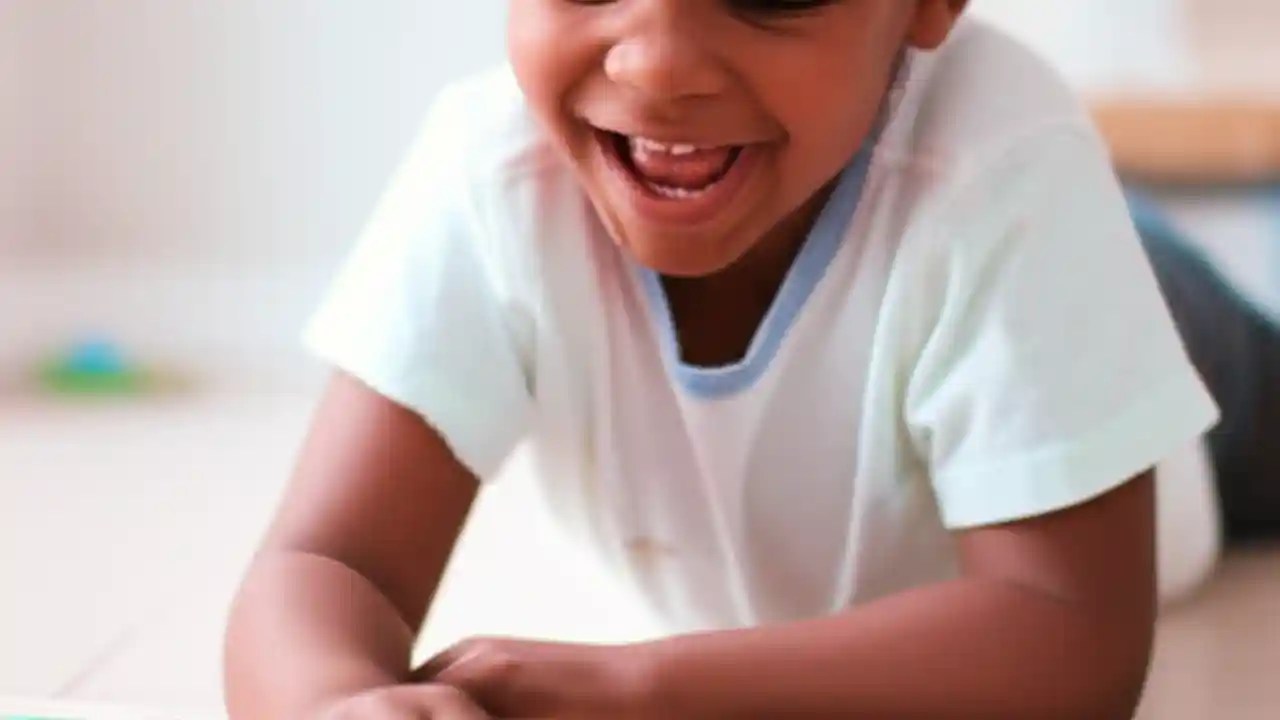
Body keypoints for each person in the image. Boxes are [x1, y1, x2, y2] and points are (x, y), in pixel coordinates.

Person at [223, 1, 1272, 717]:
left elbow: (1068, 635)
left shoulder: (1001, 169)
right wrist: (336, 701)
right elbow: (325, 561)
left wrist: (641, 691)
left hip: (1171, 340)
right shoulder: (488, 173)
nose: (655, 64)